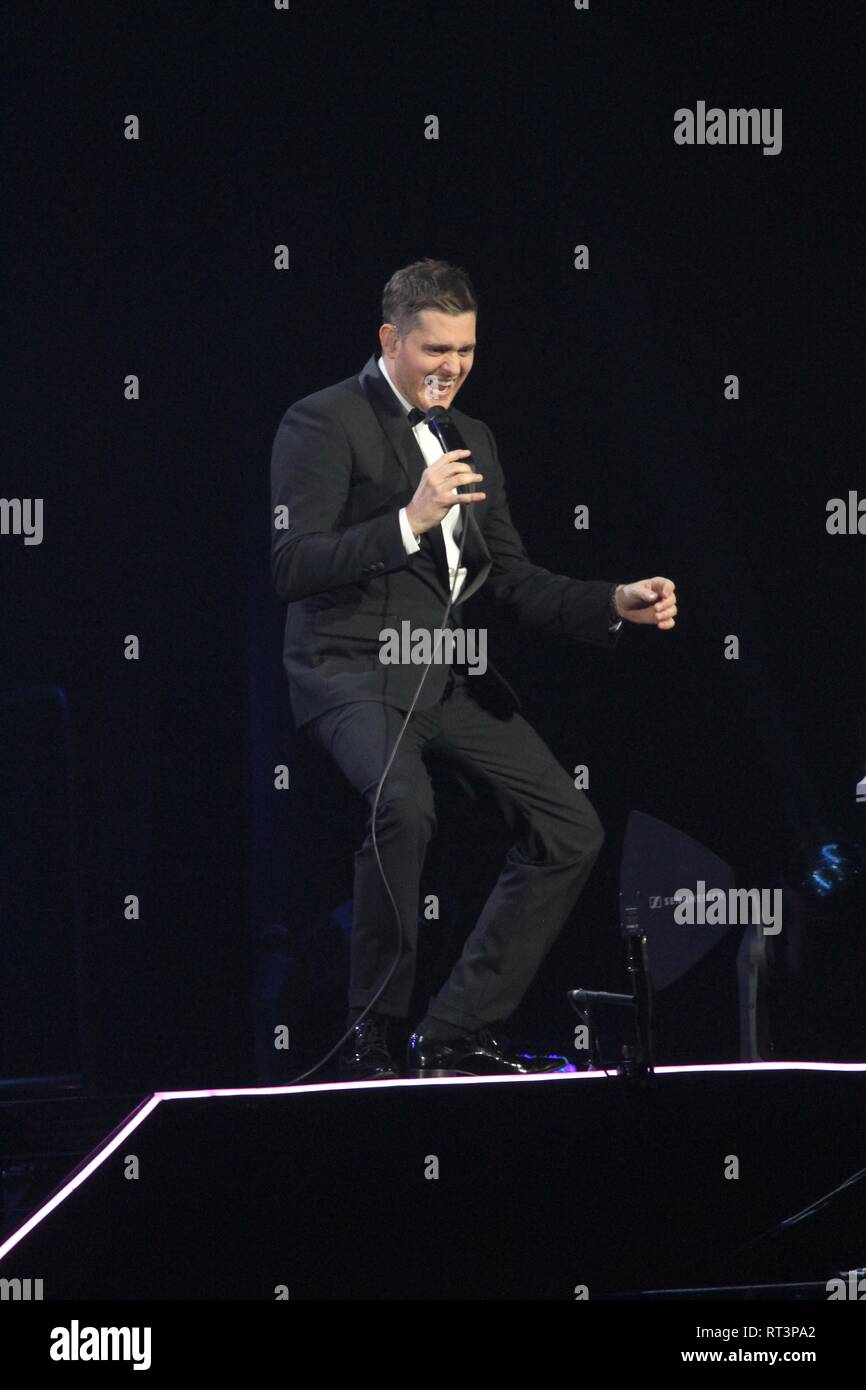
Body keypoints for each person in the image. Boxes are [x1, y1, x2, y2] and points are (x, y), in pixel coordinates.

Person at [270, 259, 677, 1080]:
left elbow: (513, 579)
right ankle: (370, 1041)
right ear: (390, 340)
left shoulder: (472, 435)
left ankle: (454, 1032)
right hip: (349, 667)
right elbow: (292, 564)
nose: (451, 366)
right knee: (405, 806)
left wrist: (611, 600)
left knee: (570, 829)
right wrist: (409, 521)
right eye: (435, 349)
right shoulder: (322, 421)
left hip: (444, 675)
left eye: (465, 350)